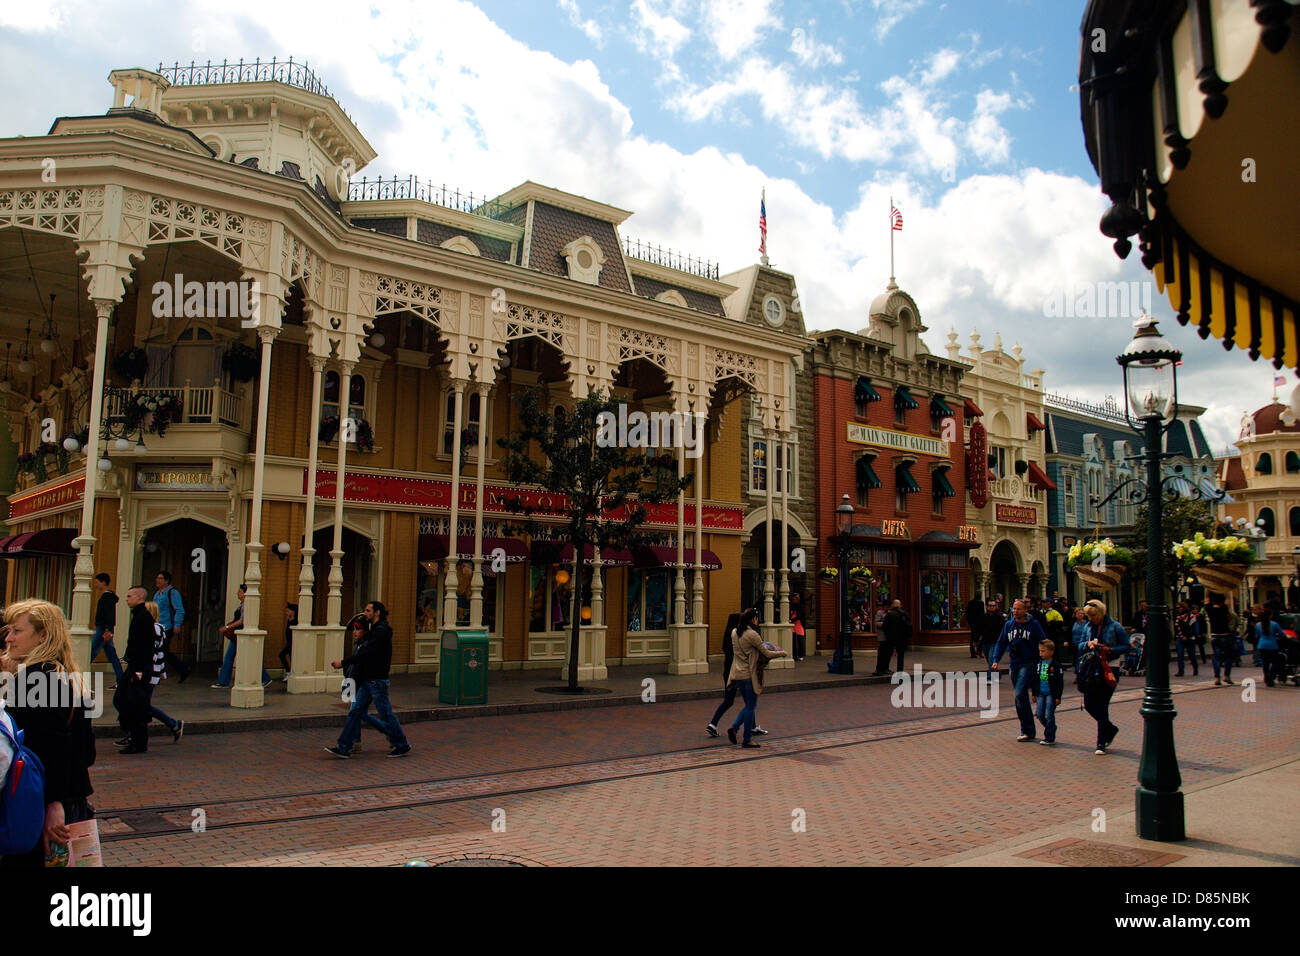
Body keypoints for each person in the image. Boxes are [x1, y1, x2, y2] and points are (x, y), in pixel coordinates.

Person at [0, 600, 96, 868]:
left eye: (17, 631)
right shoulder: (70, 678)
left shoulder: (30, 681)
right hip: (75, 802)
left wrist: (53, 804)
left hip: (41, 809)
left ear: (43, 635)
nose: (8, 638)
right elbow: (86, 753)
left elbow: (52, 749)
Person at [325, 601, 410, 758]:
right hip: (368, 680)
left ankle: (401, 744)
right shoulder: (374, 630)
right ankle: (344, 747)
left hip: (376, 680)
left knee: (386, 714)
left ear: (377, 612)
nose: (365, 613)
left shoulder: (381, 631)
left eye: (368, 610)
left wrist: (342, 663)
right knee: (355, 712)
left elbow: (366, 654)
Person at [1076, 598, 1130, 755]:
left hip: (1109, 668)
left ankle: (1101, 742)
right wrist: (1087, 644)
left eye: (1093, 616)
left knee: (1102, 704)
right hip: (1092, 668)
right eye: (1089, 616)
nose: (1091, 619)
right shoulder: (1087, 627)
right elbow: (1079, 646)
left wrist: (1111, 650)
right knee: (1089, 704)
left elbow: (1126, 646)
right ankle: (1110, 728)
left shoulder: (1115, 627)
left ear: (1100, 613)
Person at [725, 608, 785, 748]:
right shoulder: (752, 634)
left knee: (748, 706)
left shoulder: (734, 632)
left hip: (737, 674)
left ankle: (735, 729)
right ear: (753, 619)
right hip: (749, 674)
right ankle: (746, 738)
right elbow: (767, 653)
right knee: (751, 707)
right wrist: (782, 653)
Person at [990, 600, 1048, 741]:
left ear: (1025, 610)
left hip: (1029, 662)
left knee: (1019, 693)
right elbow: (1001, 642)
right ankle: (1027, 730)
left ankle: (1035, 725)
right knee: (1020, 699)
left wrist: (1045, 659)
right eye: (1014, 609)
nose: (1015, 611)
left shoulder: (1033, 625)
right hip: (1014, 663)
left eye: (1018, 609)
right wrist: (996, 659)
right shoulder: (1009, 625)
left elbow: (1043, 641)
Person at [114, 586, 157, 754]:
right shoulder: (140, 616)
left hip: (139, 667)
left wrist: (139, 670)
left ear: (139, 597)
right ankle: (134, 738)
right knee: (127, 702)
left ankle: (137, 741)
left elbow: (144, 646)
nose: (126, 599)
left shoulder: (143, 617)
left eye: (129, 596)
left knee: (133, 704)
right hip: (136, 666)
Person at [213, 584, 271, 689]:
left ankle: (224, 681)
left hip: (241, 634)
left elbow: (241, 620)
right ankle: (265, 678)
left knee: (232, 657)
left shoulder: (246, 605)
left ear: (245, 593)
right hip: (239, 635)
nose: (237, 593)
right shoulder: (242, 604)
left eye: (240, 591)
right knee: (245, 657)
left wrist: (227, 627)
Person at [707, 612, 743, 737]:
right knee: (748, 701)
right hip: (738, 673)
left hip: (728, 673)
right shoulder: (737, 637)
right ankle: (713, 723)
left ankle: (713, 724)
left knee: (730, 700)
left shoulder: (728, 636)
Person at [152, 570, 191, 683]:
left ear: (166, 581)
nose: (157, 580)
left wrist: (177, 625)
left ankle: (182, 668)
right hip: (158, 626)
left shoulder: (172, 593)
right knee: (160, 650)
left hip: (167, 626)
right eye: (157, 578)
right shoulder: (157, 594)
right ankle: (178, 670)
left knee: (163, 650)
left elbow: (179, 610)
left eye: (160, 578)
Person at [90, 572, 123, 685]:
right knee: (111, 654)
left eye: (97, 582)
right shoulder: (108, 597)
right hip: (105, 628)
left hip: (103, 629)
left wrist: (107, 630)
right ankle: (121, 678)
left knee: (91, 652)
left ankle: (77, 673)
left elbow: (109, 614)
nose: (95, 584)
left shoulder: (106, 597)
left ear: (103, 582)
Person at [1030, 639, 1064, 746]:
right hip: (1040, 692)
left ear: (1051, 652)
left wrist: (1058, 696)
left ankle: (1049, 737)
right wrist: (1034, 693)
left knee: (1049, 714)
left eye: (1043, 651)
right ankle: (1051, 727)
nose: (1041, 654)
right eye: (1040, 651)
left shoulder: (1056, 665)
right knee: (1039, 714)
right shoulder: (1038, 663)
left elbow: (1059, 682)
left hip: (1051, 694)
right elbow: (1034, 679)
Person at [1206, 592, 1235, 686]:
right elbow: (1228, 599)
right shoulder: (1224, 608)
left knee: (1216, 657)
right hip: (1225, 635)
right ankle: (1227, 675)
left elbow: (1206, 597)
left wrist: (1207, 588)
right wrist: (1226, 589)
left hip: (1214, 635)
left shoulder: (1209, 609)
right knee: (1228, 657)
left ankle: (1217, 677)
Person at [874, 599, 911, 675]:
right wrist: (884, 623)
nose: (887, 608)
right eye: (886, 607)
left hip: (890, 637)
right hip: (883, 636)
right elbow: (877, 623)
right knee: (882, 653)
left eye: (889, 607)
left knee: (888, 653)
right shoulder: (880, 613)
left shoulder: (892, 613)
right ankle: (879, 669)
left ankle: (885, 668)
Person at [1254, 607, 1285, 688]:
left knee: (1265, 662)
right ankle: (1271, 677)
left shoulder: (1257, 625)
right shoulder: (1274, 624)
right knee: (1275, 662)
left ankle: (1266, 676)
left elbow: (1257, 635)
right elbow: (1282, 634)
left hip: (1261, 645)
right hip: (1272, 645)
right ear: (1270, 616)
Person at [1173, 602, 1200, 677]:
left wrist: (1187, 636)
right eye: (1177, 608)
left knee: (1191, 655)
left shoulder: (1191, 616)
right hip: (1180, 638)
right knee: (1180, 654)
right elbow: (1176, 628)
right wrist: (1177, 636)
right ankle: (1180, 671)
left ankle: (1195, 668)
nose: (1179, 609)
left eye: (1180, 607)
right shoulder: (1178, 617)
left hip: (1189, 638)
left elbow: (1193, 629)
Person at [980, 600, 1006, 676]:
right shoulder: (983, 617)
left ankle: (990, 678)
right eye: (990, 606)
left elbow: (1003, 630)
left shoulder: (999, 618)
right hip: (985, 641)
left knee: (992, 659)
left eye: (994, 606)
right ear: (987, 607)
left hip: (995, 642)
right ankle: (997, 673)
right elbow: (979, 629)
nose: (992, 607)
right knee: (989, 660)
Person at [280, 603, 298, 680]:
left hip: (293, 642)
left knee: (282, 655)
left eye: (288, 611)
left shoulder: (296, 621)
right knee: (289, 656)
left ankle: (290, 672)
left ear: (293, 612)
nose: (287, 613)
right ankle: (289, 672)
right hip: (289, 642)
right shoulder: (289, 620)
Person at [789, 593, 806, 662]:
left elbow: (800, 616)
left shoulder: (801, 606)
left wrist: (792, 620)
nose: (795, 600)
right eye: (794, 598)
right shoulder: (791, 606)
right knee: (793, 641)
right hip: (792, 624)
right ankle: (794, 655)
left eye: (797, 598)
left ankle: (801, 655)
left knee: (800, 640)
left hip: (799, 624)